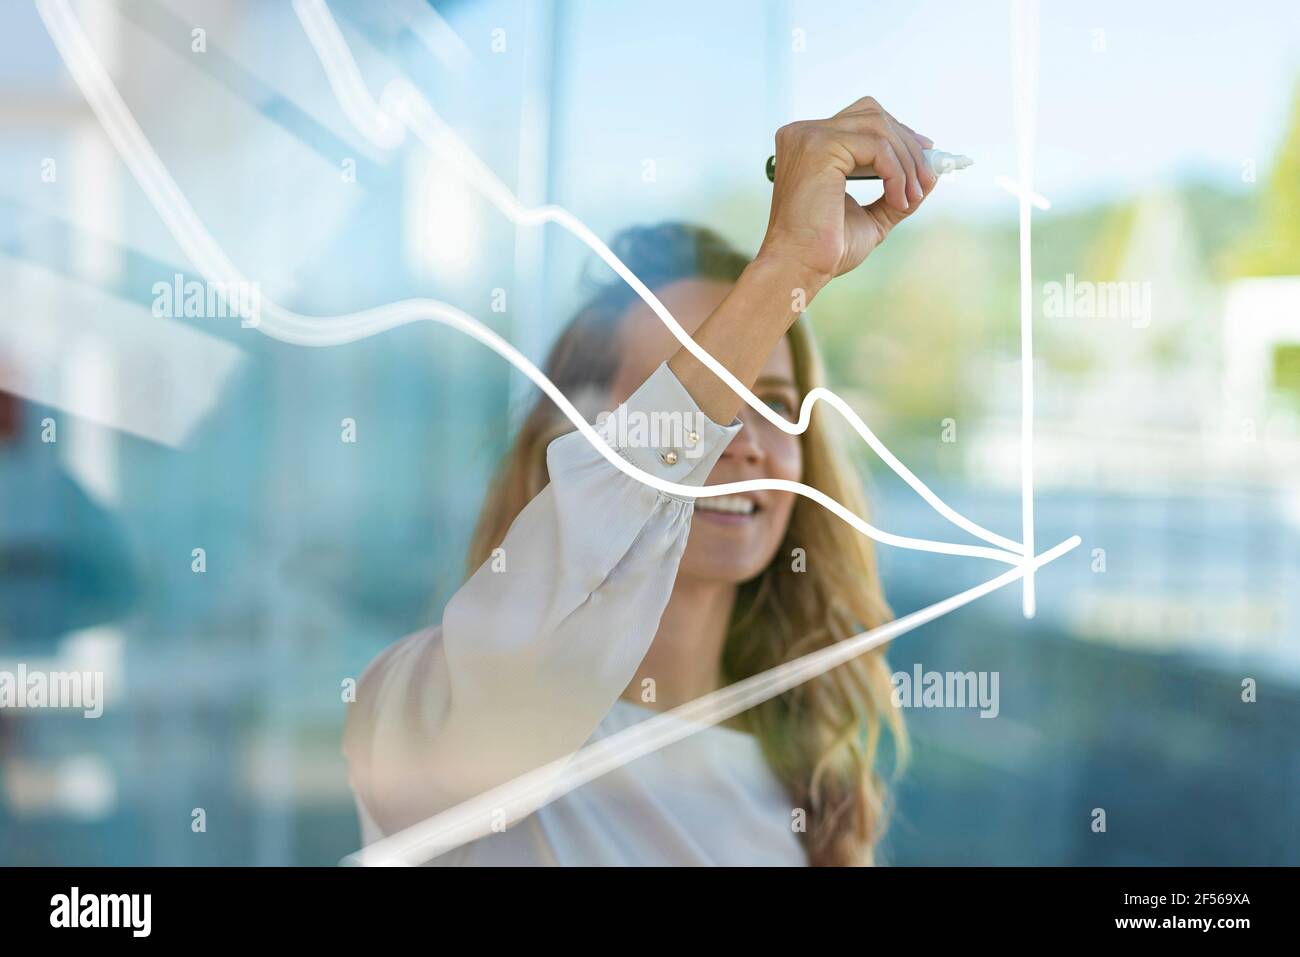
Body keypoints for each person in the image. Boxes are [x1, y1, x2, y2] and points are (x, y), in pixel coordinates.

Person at [343, 97, 940, 866]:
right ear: (573, 445)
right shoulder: (434, 712)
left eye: (777, 405)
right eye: (699, 393)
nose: (743, 441)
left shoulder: (800, 788)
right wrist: (786, 268)